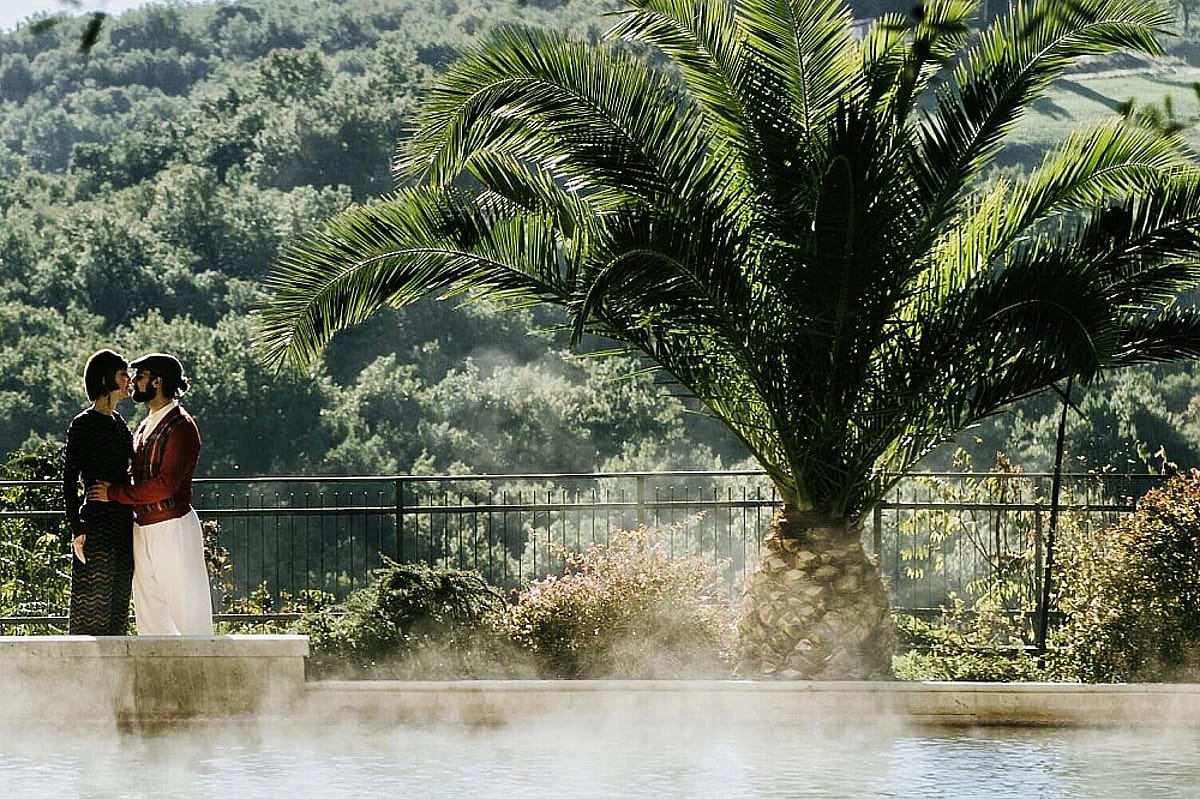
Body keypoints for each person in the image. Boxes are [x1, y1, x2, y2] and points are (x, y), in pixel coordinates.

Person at [88, 352, 213, 636]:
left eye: (141, 376)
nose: (134, 381)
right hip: (143, 528)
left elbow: (165, 485)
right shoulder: (146, 424)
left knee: (189, 616)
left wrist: (114, 493)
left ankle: (202, 666)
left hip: (172, 528)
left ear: (157, 382)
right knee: (150, 619)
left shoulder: (181, 427)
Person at [63, 349, 135, 635]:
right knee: (91, 607)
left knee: (118, 607)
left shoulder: (120, 425)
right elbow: (69, 480)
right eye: (123, 374)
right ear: (106, 380)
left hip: (123, 523)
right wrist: (77, 528)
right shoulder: (83, 424)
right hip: (96, 524)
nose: (129, 380)